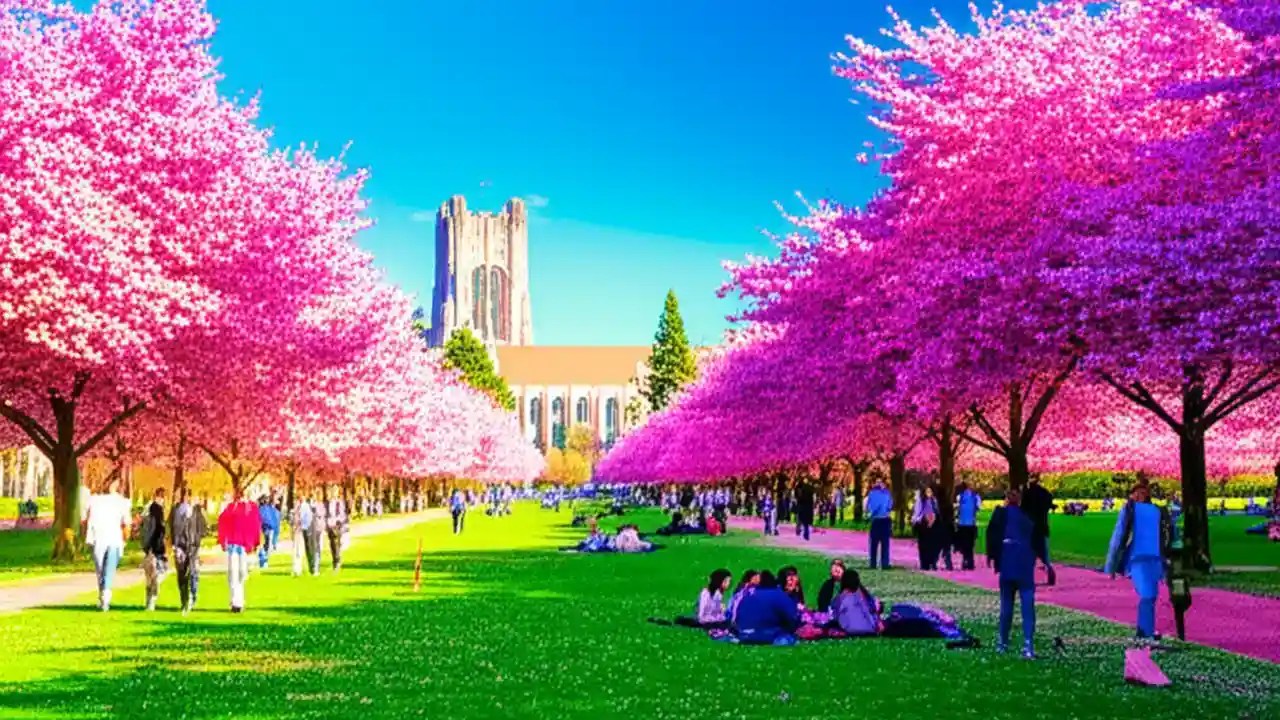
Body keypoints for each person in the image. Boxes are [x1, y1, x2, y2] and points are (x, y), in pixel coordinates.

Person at [1105, 483, 1172, 641]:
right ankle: (1143, 632)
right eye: (1136, 493)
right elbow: (1119, 534)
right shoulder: (1129, 510)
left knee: (1152, 596)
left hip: (1156, 559)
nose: (1139, 495)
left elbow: (1169, 533)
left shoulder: (1158, 511)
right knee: (1147, 594)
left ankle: (1146, 631)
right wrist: (1111, 565)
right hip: (1137, 559)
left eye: (1143, 492)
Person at [986, 489, 1037, 658]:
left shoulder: (1001, 516)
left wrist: (993, 558)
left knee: (1006, 605)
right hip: (1024, 566)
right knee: (1027, 606)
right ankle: (1028, 644)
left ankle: (1003, 642)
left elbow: (991, 536)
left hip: (1007, 565)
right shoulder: (1027, 519)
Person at [82, 476, 131, 612]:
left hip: (104, 539)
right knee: (106, 570)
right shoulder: (95, 500)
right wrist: (126, 538)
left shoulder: (96, 500)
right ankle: (104, 596)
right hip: (106, 538)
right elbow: (126, 524)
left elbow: (84, 521)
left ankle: (104, 597)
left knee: (103, 570)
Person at [218, 489, 260, 613]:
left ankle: (239, 599)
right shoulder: (231, 508)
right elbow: (222, 523)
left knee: (242, 573)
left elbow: (255, 525)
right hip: (233, 545)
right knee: (233, 573)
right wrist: (223, 540)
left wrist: (255, 542)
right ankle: (236, 602)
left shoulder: (251, 509)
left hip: (243, 545)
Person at [732, 571, 801, 645]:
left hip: (743, 634)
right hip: (766, 635)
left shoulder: (747, 595)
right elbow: (792, 617)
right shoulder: (778, 595)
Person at [169, 488, 206, 613]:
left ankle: (193, 595)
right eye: (183, 495)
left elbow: (202, 529)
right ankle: (184, 599)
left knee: (193, 573)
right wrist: (173, 544)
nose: (185, 498)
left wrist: (197, 541)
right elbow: (171, 528)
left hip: (193, 546)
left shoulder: (196, 511)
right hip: (180, 546)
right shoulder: (175, 510)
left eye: (187, 495)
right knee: (181, 574)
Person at [1021, 474, 1057, 586]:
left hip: (1030, 528)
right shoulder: (1045, 493)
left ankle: (1027, 578)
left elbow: (1023, 509)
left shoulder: (1027, 494)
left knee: (1029, 554)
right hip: (1042, 527)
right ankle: (1050, 571)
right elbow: (1050, 504)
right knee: (1044, 555)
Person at [828, 570, 883, 636]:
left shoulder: (840, 598)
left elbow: (833, 615)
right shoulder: (862, 595)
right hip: (869, 629)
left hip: (849, 629)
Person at [140, 488, 168, 611]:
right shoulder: (155, 510)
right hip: (155, 548)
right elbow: (153, 531)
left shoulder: (156, 511)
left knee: (151, 576)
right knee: (155, 575)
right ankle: (151, 599)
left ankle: (150, 600)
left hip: (154, 548)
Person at [865, 477, 893, 569]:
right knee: (885, 543)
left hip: (876, 520)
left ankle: (873, 563)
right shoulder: (887, 493)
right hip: (885, 519)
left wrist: (870, 514)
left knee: (874, 543)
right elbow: (890, 506)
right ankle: (884, 563)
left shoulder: (872, 494)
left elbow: (869, 507)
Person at [954, 483, 982, 570]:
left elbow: (958, 509)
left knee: (964, 543)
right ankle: (969, 561)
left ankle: (966, 560)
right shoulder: (975, 497)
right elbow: (978, 508)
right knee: (970, 544)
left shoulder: (960, 496)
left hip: (962, 523)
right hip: (971, 523)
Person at [911, 486, 938, 570]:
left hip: (932, 525)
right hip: (923, 525)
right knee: (923, 546)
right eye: (927, 491)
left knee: (932, 546)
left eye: (930, 491)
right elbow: (917, 513)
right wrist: (916, 520)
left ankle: (932, 563)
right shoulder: (921, 501)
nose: (929, 493)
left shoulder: (934, 501)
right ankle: (924, 564)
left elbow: (936, 511)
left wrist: (932, 519)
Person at [290, 497, 313, 577]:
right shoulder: (293, 512)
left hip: (301, 532)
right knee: (294, 552)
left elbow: (308, 519)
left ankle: (298, 569)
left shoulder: (304, 509)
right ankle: (295, 569)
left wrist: (304, 527)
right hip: (295, 532)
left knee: (299, 551)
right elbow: (291, 523)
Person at [326, 494, 349, 571]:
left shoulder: (340, 503)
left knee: (337, 544)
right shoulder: (329, 503)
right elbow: (327, 514)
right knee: (332, 544)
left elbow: (343, 514)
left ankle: (337, 562)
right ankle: (335, 561)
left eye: (335, 491)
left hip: (337, 525)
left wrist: (340, 523)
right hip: (330, 525)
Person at [258, 495, 281, 568]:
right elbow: (266, 519)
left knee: (266, 546)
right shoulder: (263, 509)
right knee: (266, 546)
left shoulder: (267, 509)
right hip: (266, 529)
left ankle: (264, 561)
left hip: (267, 529)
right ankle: (263, 561)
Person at [306, 494, 326, 576]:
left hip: (318, 529)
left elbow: (321, 515)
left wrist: (315, 510)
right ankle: (312, 567)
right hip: (310, 529)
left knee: (317, 548)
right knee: (311, 548)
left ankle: (316, 568)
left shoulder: (321, 505)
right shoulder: (308, 506)